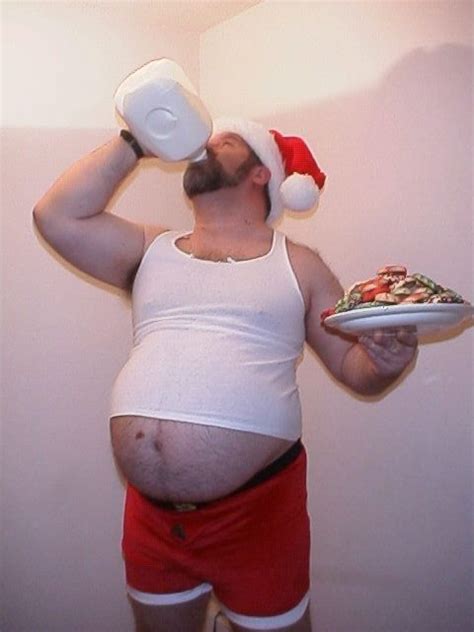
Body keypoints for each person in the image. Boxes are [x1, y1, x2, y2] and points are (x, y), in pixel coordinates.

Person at [33, 118, 418, 632]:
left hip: (258, 517)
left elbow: (354, 368)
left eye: (225, 141)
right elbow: (55, 215)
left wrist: (385, 362)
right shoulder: (149, 248)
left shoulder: (301, 265)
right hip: (151, 518)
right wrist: (136, 141)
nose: (205, 145)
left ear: (261, 173)